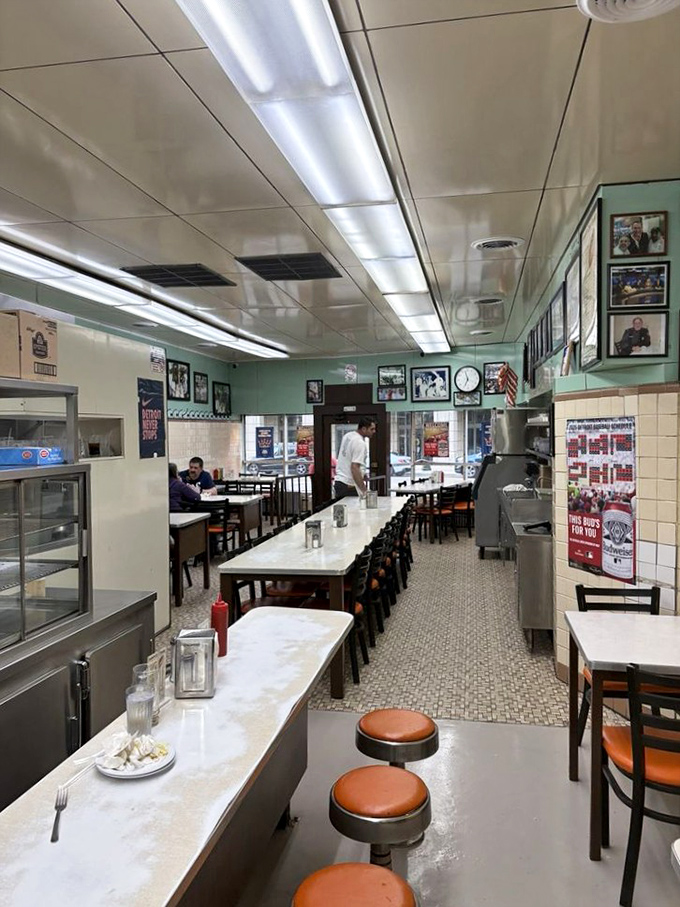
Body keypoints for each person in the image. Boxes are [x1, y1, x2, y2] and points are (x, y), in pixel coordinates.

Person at [333, 417, 377, 498]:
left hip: (340, 482)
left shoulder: (348, 436)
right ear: (364, 429)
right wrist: (364, 490)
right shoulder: (360, 443)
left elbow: (348, 458)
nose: (374, 431)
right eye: (372, 429)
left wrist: (362, 474)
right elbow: (354, 468)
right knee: (355, 510)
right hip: (349, 485)